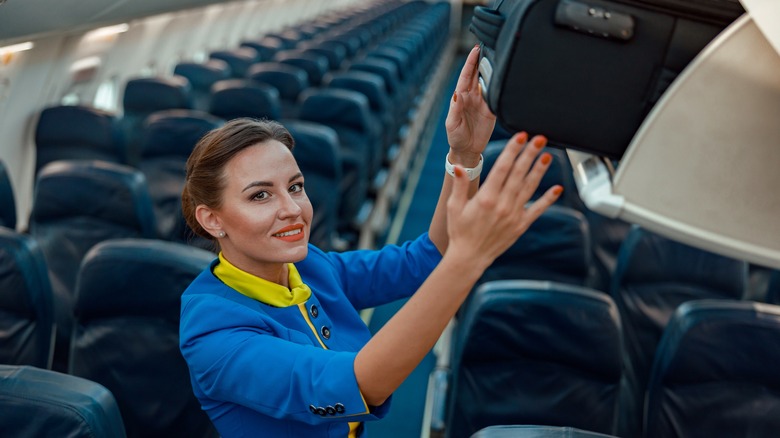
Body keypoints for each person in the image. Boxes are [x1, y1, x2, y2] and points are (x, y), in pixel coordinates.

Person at [179, 45, 563, 438]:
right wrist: (467, 261)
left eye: (295, 187)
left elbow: (426, 260)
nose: (293, 209)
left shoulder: (308, 266)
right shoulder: (212, 332)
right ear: (212, 220)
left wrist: (464, 155)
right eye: (260, 195)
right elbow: (361, 382)